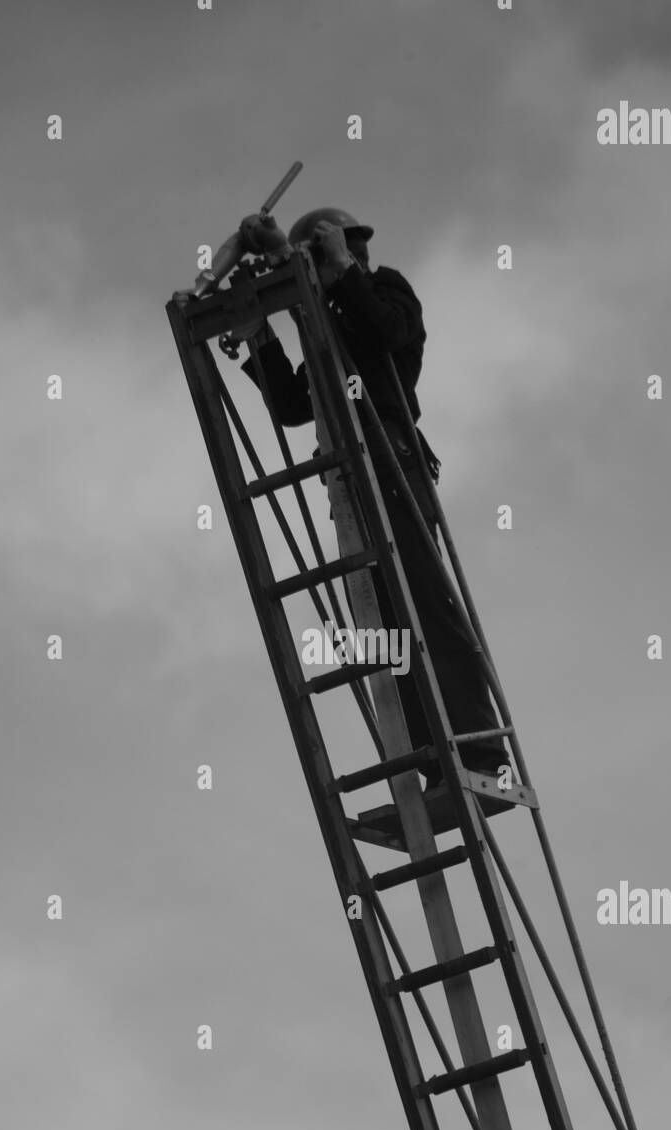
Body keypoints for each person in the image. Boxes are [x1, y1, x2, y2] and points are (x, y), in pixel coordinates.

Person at [235, 206, 508, 790]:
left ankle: (482, 752)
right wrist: (258, 333)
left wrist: (318, 266)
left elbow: (384, 331)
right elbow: (291, 406)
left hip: (390, 457)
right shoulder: (325, 331)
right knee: (385, 629)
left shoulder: (383, 294)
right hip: (347, 476)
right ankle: (431, 761)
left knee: (425, 603)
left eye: (327, 255)